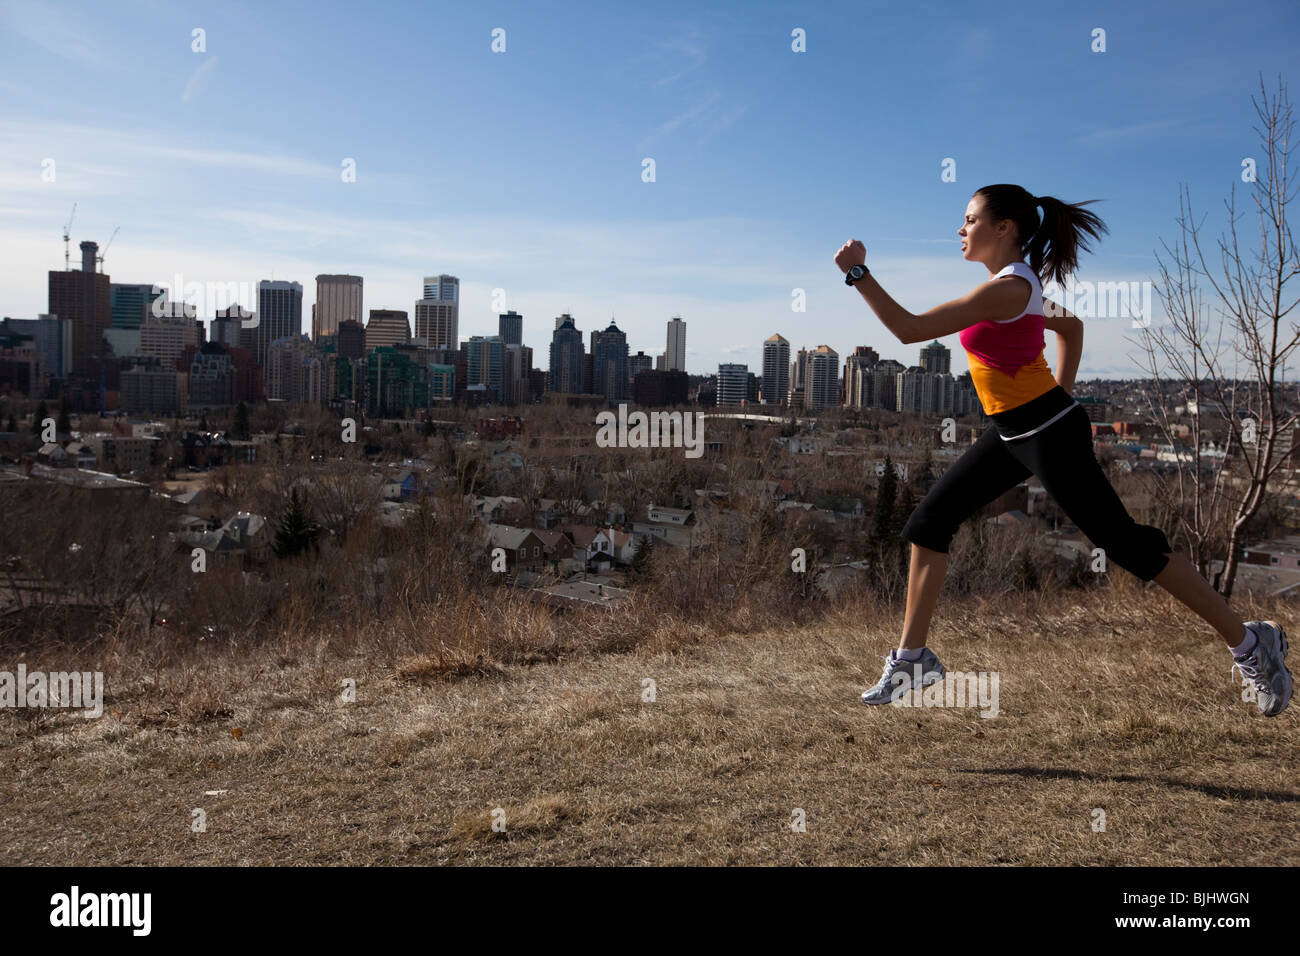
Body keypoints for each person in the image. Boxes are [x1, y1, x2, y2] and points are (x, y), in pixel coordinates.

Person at [834, 183, 1292, 716]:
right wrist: (1062, 392)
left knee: (1129, 547)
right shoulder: (1017, 286)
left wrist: (858, 273)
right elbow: (1072, 328)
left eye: (970, 219)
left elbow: (909, 330)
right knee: (927, 525)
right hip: (1014, 432)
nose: (960, 230)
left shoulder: (1006, 290)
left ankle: (1253, 645)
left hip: (1048, 434)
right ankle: (912, 659)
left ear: (1003, 229)